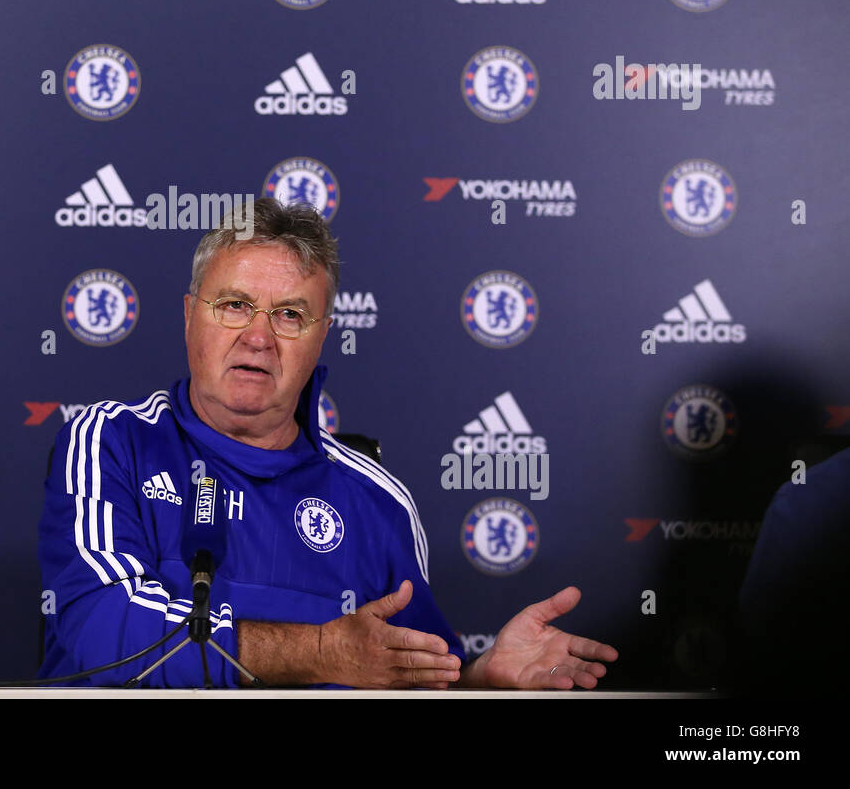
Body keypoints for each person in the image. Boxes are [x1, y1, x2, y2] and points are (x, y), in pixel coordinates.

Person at [38, 198, 617, 688]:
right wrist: (321, 652)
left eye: (290, 315)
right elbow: (101, 633)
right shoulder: (112, 441)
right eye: (234, 305)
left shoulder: (377, 500)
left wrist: (482, 683)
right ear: (191, 316)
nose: (259, 337)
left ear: (322, 338)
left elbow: (416, 679)